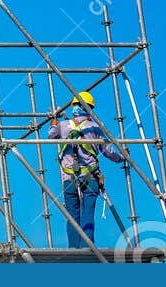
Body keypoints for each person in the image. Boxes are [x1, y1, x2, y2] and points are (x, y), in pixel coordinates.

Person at [49, 90, 126, 248]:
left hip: (69, 177)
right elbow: (107, 152)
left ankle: (74, 250)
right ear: (90, 108)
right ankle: (87, 248)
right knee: (88, 213)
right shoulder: (95, 128)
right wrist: (122, 157)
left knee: (72, 216)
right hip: (90, 176)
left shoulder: (63, 126)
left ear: (73, 107)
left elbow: (51, 136)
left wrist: (54, 121)